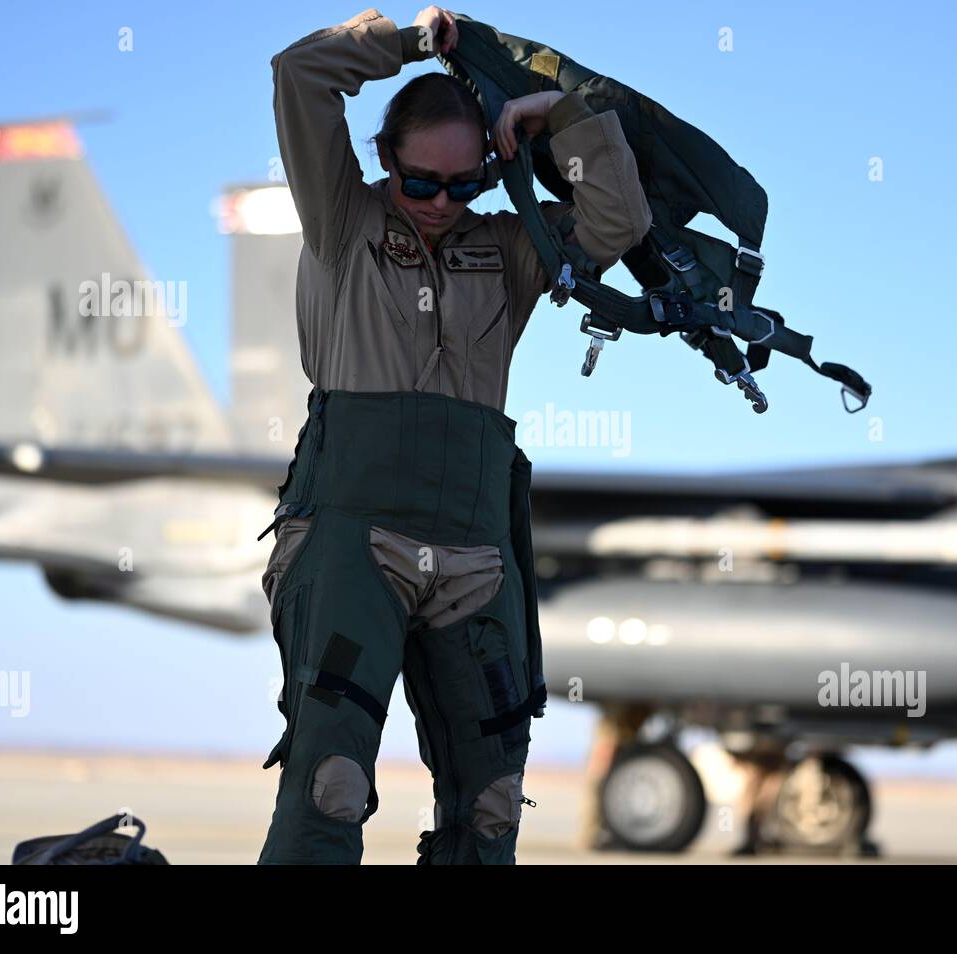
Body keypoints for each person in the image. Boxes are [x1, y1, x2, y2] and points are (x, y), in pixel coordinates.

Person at [256, 6, 652, 864]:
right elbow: (301, 75)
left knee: (493, 804)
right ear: (383, 160)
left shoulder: (510, 250)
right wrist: (403, 42)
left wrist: (566, 115)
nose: (441, 204)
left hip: (473, 547)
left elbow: (619, 224)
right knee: (332, 783)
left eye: (463, 185)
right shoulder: (342, 222)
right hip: (354, 535)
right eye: (422, 183)